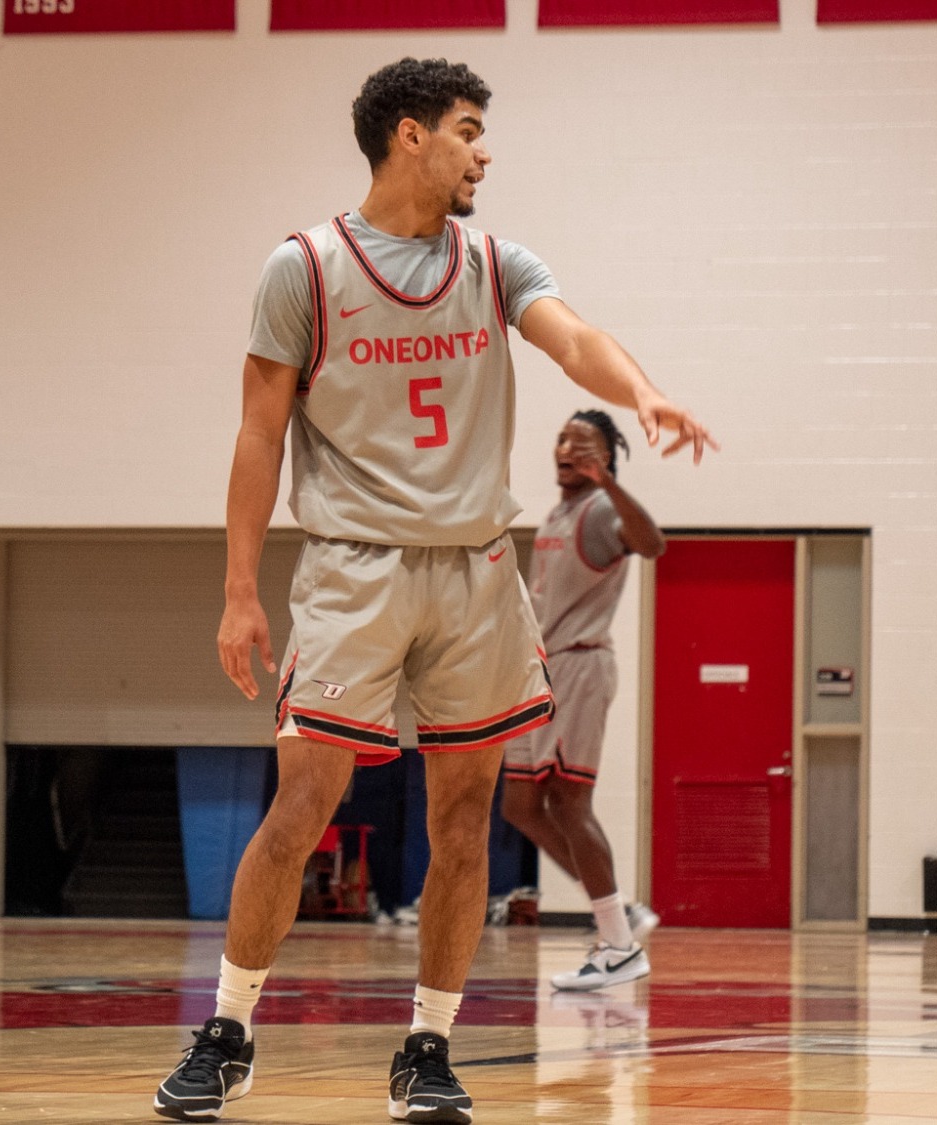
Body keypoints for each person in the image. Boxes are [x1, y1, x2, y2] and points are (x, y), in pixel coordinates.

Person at [152, 57, 713, 1125]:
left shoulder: (497, 261)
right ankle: (227, 1031)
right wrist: (238, 589)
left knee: (465, 825)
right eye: (467, 130)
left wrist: (639, 389)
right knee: (302, 805)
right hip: (351, 569)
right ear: (410, 136)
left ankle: (429, 1047)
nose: (483, 152)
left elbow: (574, 337)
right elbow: (259, 434)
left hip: (473, 571)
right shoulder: (303, 267)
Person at [500, 411, 666, 992]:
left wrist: (611, 484)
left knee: (571, 804)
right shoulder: (558, 512)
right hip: (540, 670)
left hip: (578, 665)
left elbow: (653, 544)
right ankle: (623, 914)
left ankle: (620, 945)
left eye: (583, 442)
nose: (567, 446)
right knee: (519, 805)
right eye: (563, 436)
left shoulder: (600, 509)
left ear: (605, 459)